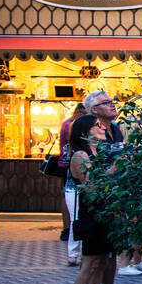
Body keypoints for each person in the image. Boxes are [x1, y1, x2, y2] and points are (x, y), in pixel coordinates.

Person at [67, 115, 122, 284]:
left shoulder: (98, 152)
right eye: (96, 125)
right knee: (88, 265)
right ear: (85, 131)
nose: (101, 128)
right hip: (91, 214)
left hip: (104, 212)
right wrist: (116, 167)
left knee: (100, 262)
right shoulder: (81, 155)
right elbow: (92, 188)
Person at [60, 102, 86, 263]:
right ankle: (73, 253)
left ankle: (76, 253)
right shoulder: (75, 149)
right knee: (77, 217)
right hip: (74, 185)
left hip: (75, 184)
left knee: (78, 217)